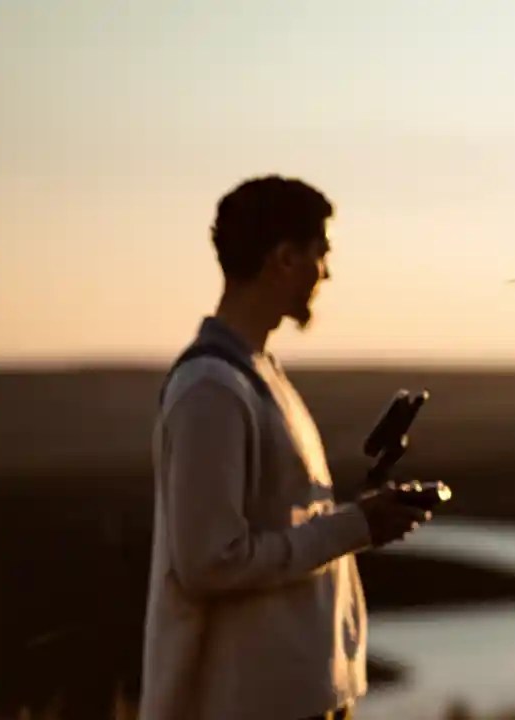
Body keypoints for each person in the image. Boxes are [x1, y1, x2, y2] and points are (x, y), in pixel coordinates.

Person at [139, 175, 429, 720]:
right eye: (321, 254)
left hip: (296, 698)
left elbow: (281, 527)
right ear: (284, 259)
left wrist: (363, 516)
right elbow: (210, 563)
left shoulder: (258, 375)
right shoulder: (211, 387)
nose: (327, 272)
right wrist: (356, 527)